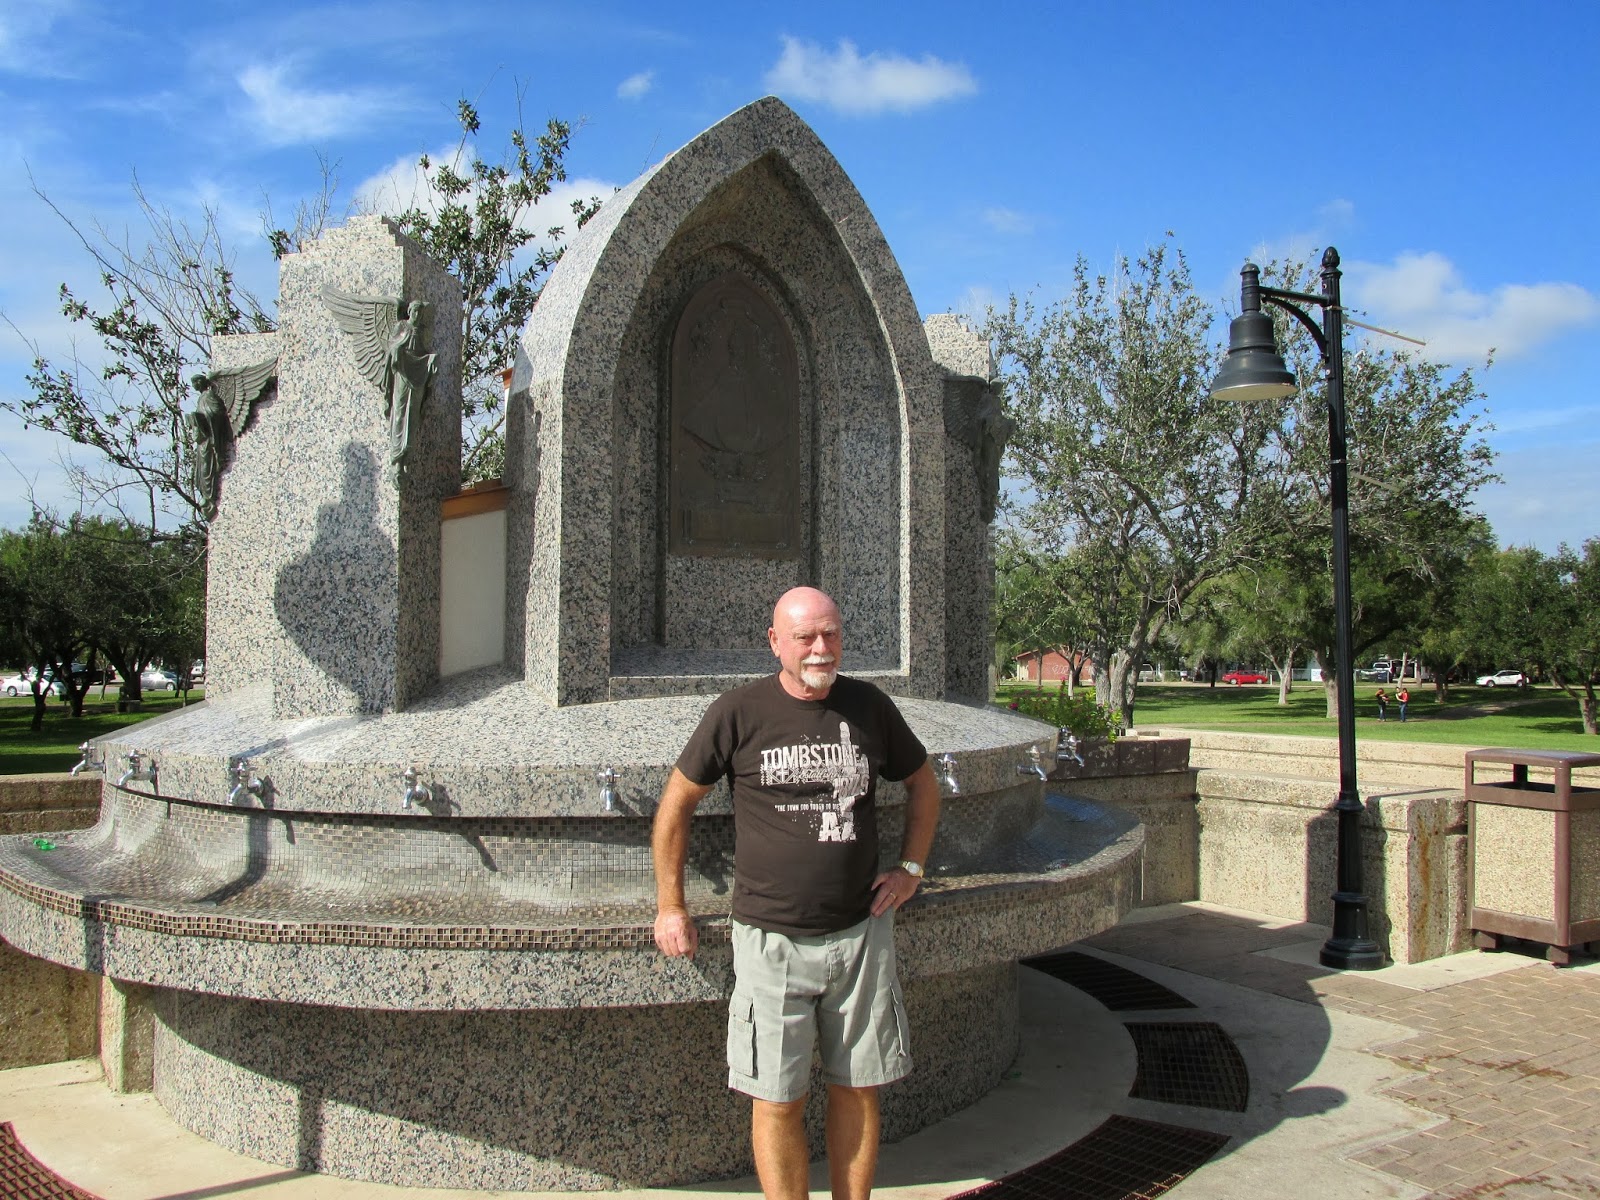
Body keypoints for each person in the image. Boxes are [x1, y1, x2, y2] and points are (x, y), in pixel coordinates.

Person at [653, 586, 941, 1200]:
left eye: (831, 634)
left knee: (858, 1090)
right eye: (806, 636)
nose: (820, 648)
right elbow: (676, 805)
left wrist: (911, 866)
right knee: (777, 1098)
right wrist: (671, 904)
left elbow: (924, 783)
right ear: (775, 642)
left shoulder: (870, 708)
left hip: (860, 935)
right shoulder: (737, 712)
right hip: (771, 942)